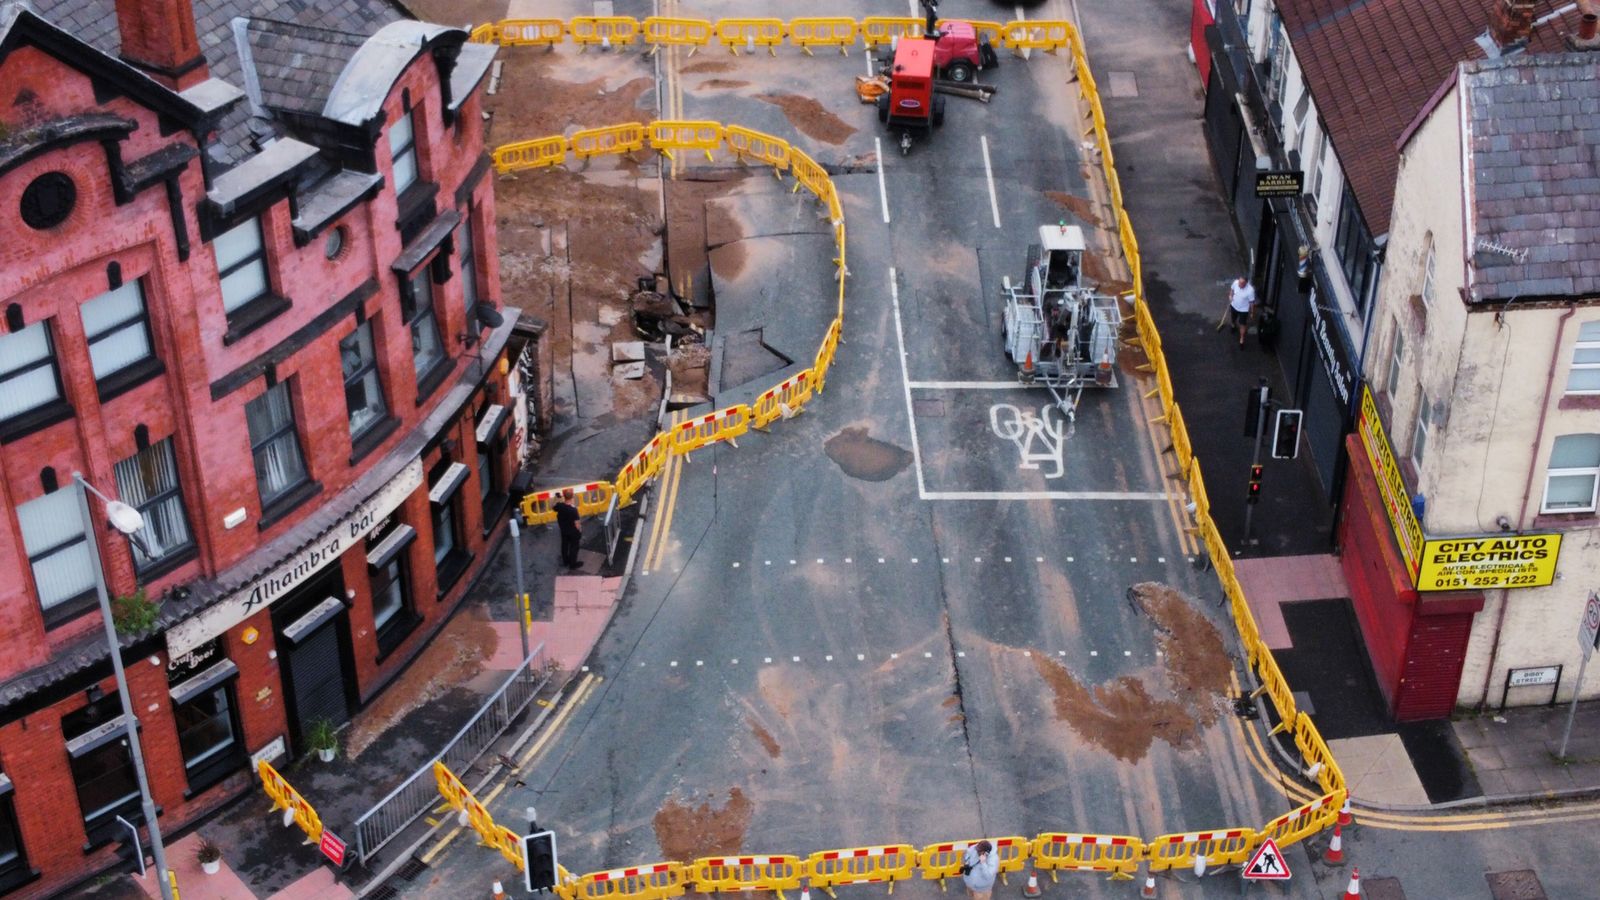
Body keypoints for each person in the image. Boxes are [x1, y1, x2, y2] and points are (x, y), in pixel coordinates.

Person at [554, 489, 581, 570]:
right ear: (572, 497)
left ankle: (565, 561)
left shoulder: (560, 506)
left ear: (564, 496)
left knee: (564, 545)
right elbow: (577, 523)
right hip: (573, 532)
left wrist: (557, 498)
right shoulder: (573, 510)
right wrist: (579, 530)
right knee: (574, 547)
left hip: (564, 530)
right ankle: (573, 564)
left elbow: (553, 506)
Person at [1229, 275, 1257, 348]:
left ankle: (1241, 339)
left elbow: (1252, 303)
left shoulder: (1250, 290)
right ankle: (1233, 325)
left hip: (1243, 310)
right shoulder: (1235, 282)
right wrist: (1230, 296)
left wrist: (1252, 312)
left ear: (1246, 283)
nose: (1239, 285)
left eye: (1242, 283)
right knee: (1233, 319)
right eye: (1239, 282)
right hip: (1234, 306)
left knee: (1242, 324)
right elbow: (1232, 290)